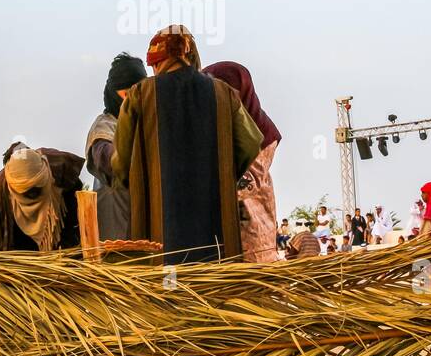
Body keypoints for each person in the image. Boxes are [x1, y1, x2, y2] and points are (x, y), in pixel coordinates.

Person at [113, 26, 262, 265]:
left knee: (164, 288)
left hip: (161, 233)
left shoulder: (140, 94)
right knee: (212, 289)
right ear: (188, 54)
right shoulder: (223, 93)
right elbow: (252, 142)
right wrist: (224, 175)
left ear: (156, 63)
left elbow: (121, 161)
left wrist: (136, 183)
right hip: (214, 236)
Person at [204, 60, 283, 263]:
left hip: (253, 240)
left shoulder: (262, 133)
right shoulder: (218, 129)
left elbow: (247, 183)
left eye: (228, 95)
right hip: (222, 241)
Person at [0, 146, 84, 252]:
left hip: (61, 248)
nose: (34, 194)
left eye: (38, 187)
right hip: (20, 260)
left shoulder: (59, 169)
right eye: (28, 192)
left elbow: (75, 212)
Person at [85, 53, 148, 241]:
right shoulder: (104, 127)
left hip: (146, 234)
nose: (133, 100)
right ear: (114, 93)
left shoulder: (146, 125)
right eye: (127, 94)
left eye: (139, 92)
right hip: (116, 237)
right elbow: (109, 162)